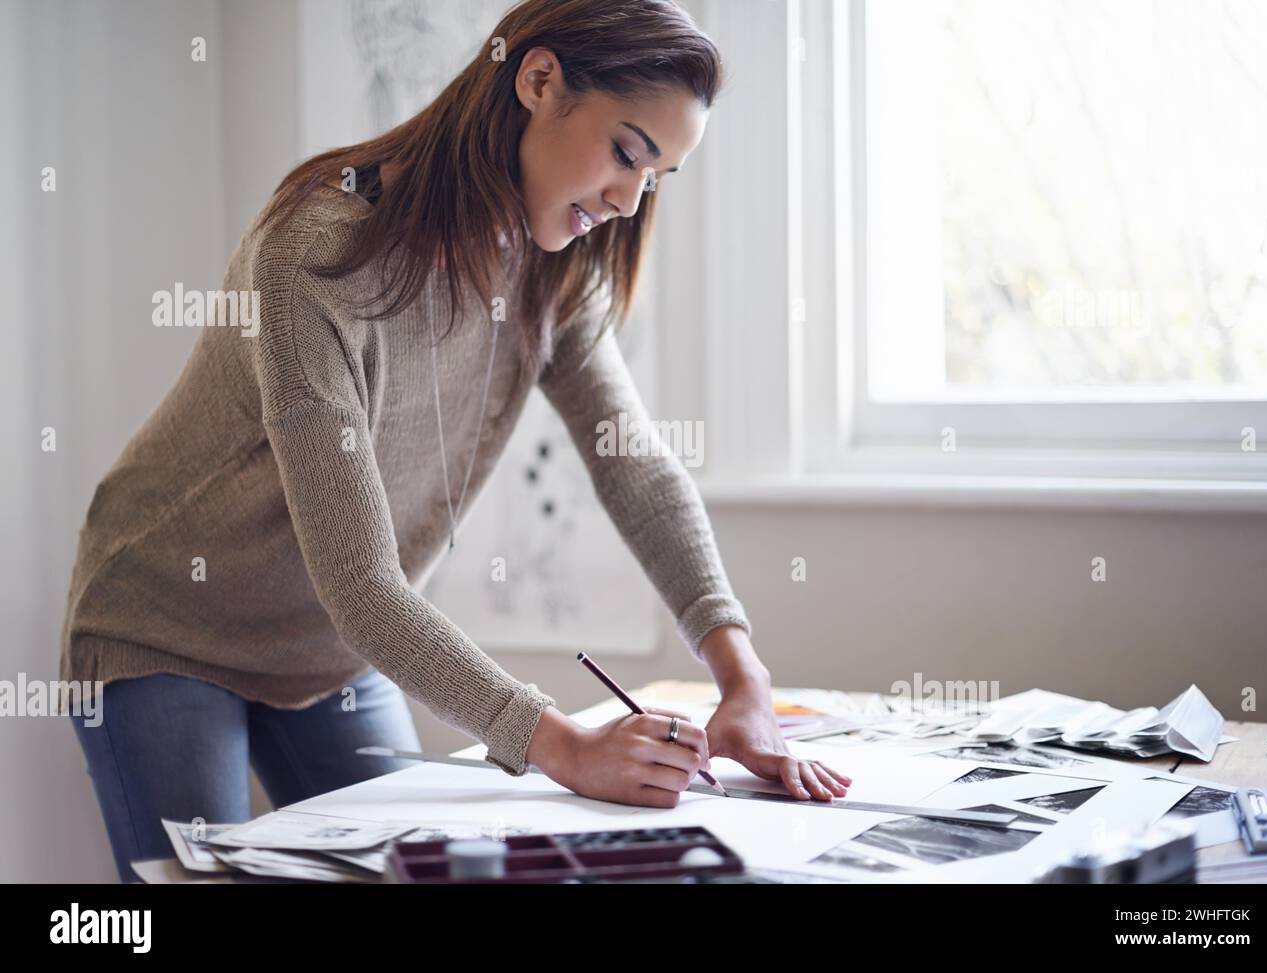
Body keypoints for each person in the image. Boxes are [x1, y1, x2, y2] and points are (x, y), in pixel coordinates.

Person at [61, 0, 849, 884]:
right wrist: (567, 746)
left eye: (656, 175)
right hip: (171, 625)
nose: (630, 201)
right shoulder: (316, 258)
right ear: (539, 80)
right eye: (628, 152)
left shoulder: (556, 273)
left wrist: (740, 674)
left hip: (331, 653)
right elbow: (363, 584)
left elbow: (636, 468)